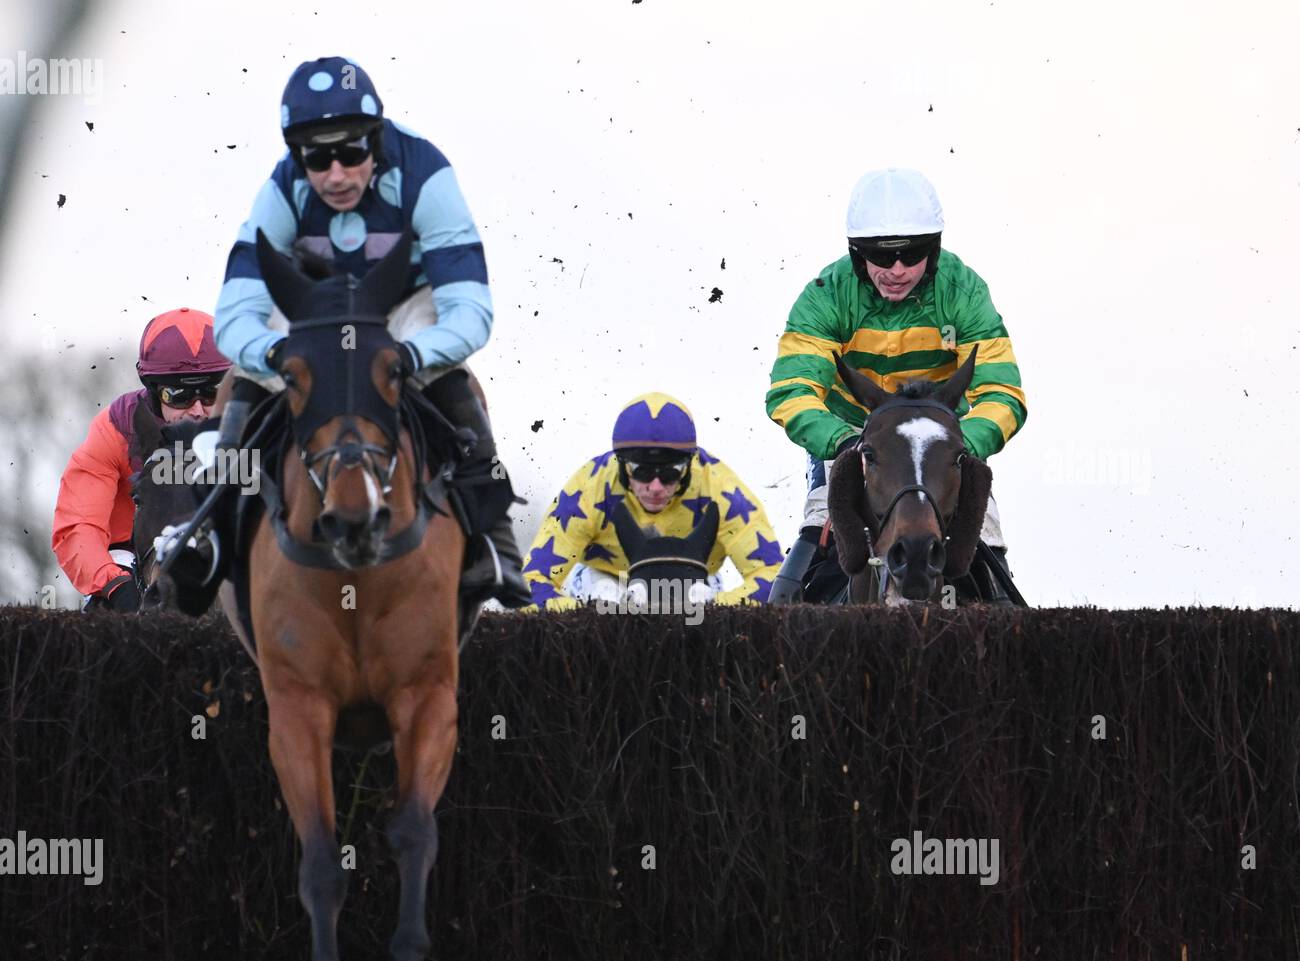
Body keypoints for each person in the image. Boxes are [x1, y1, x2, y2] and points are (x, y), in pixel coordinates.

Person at [167, 54, 529, 607]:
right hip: (314, 316)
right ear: (297, 156)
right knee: (246, 374)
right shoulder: (282, 191)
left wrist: (409, 355)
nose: (335, 174)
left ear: (376, 140)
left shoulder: (427, 176)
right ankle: (211, 529)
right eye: (317, 157)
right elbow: (236, 316)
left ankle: (493, 541)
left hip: (403, 309)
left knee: (446, 369)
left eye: (350, 152)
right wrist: (278, 354)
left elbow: (470, 312)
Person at [765, 167, 1027, 601]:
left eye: (914, 254)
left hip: (938, 448)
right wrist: (847, 442)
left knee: (987, 536)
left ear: (935, 249)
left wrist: (960, 446)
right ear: (856, 253)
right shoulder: (826, 294)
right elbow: (791, 390)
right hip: (853, 443)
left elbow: (1003, 393)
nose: (898, 269)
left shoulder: (963, 290)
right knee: (816, 528)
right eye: (882, 256)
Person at [523, 393, 783, 610]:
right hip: (606, 581)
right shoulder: (588, 489)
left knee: (698, 608)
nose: (656, 487)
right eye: (643, 471)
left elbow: (772, 575)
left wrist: (716, 609)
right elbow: (532, 579)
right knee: (606, 600)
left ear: (688, 464)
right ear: (622, 465)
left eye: (670, 473)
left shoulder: (721, 488)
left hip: (693, 585)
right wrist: (584, 616)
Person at [52, 309, 231, 610]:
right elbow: (78, 524)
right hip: (134, 554)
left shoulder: (247, 424)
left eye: (211, 393)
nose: (198, 410)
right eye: (180, 395)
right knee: (107, 601)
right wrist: (112, 584)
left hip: (225, 543)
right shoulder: (116, 431)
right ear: (153, 392)